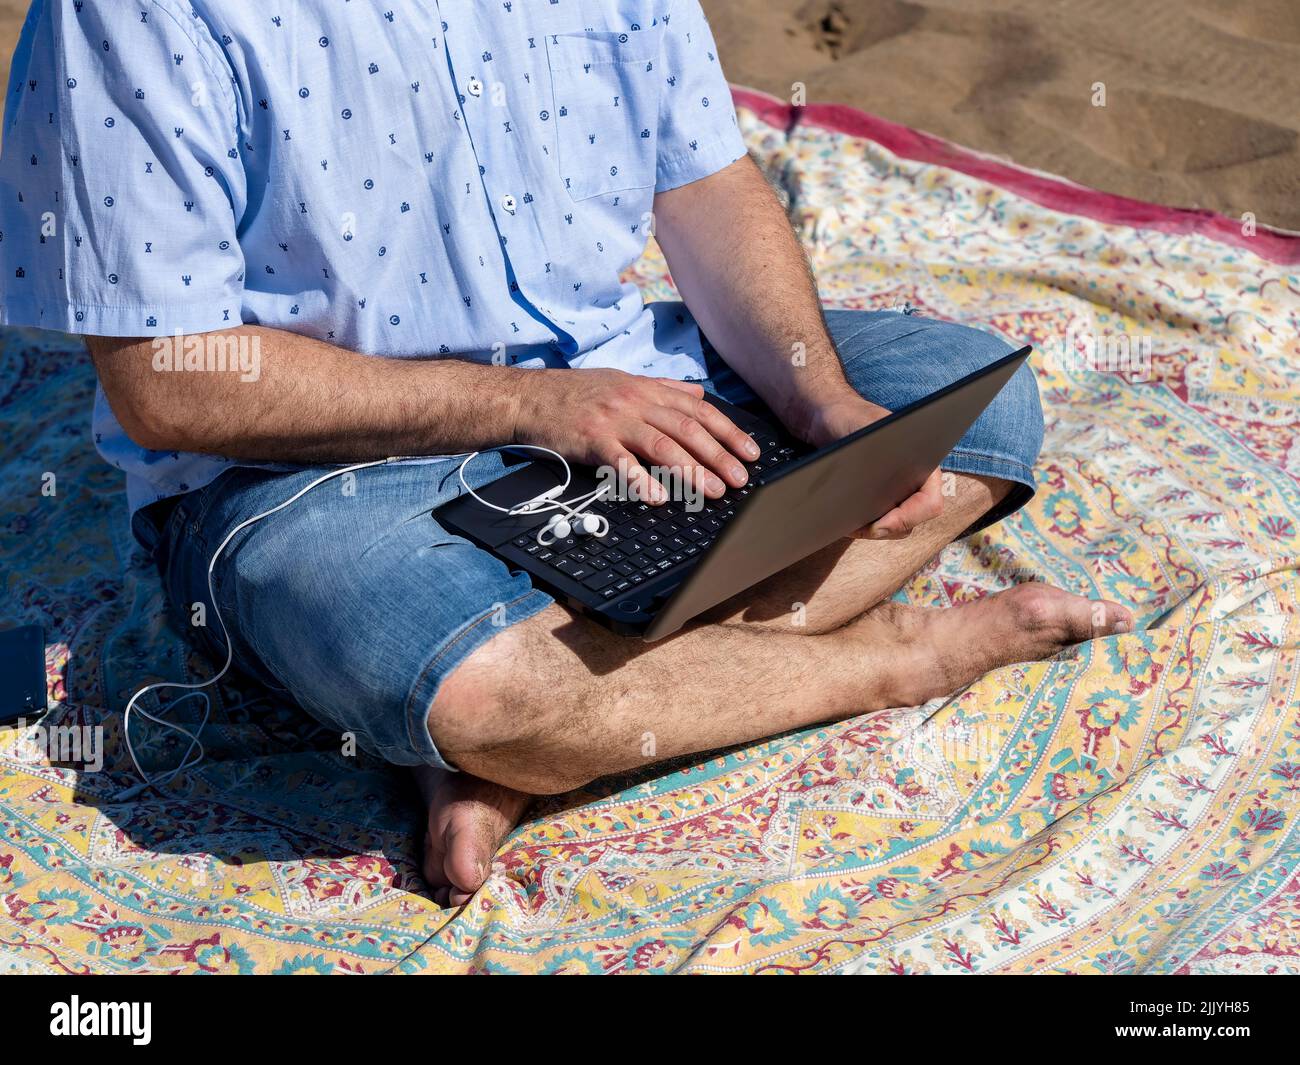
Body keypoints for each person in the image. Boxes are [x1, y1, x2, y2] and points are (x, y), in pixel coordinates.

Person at [0, 1, 1129, 905]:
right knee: (484, 690)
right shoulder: (129, 13)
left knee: (972, 408)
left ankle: (567, 731)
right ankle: (885, 659)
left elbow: (704, 188)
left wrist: (824, 405)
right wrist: (529, 405)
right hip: (320, 477)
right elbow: (165, 381)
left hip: (628, 384)